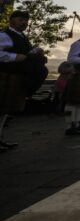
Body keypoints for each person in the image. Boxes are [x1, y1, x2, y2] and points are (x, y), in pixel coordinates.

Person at [0, 10, 43, 149]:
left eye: (25, 20)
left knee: (5, 109)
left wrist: (33, 53)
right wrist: (14, 57)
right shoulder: (4, 35)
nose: (24, 22)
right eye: (20, 19)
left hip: (17, 75)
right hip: (5, 75)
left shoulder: (22, 36)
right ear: (11, 20)